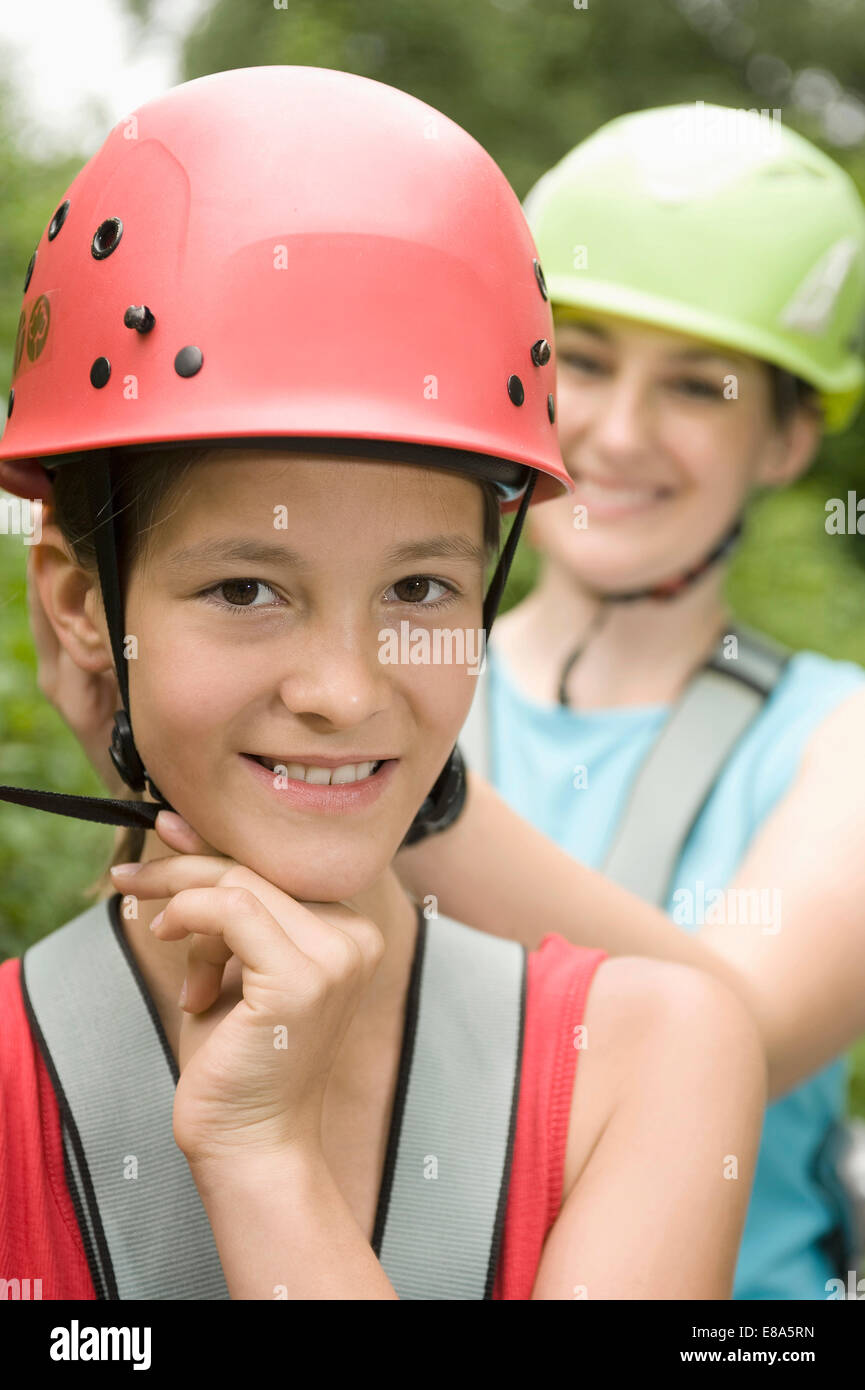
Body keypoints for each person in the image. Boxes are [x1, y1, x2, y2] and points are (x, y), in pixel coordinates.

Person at [0, 67, 765, 1301]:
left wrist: (266, 1170)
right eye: (248, 590)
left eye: (418, 592)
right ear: (83, 608)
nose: (347, 691)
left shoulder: (654, 1063)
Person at [394, 105, 865, 1302]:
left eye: (695, 388)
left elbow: (736, 1038)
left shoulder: (837, 736)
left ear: (786, 437)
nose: (615, 432)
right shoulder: (379, 670)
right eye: (586, 364)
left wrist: (393, 782)